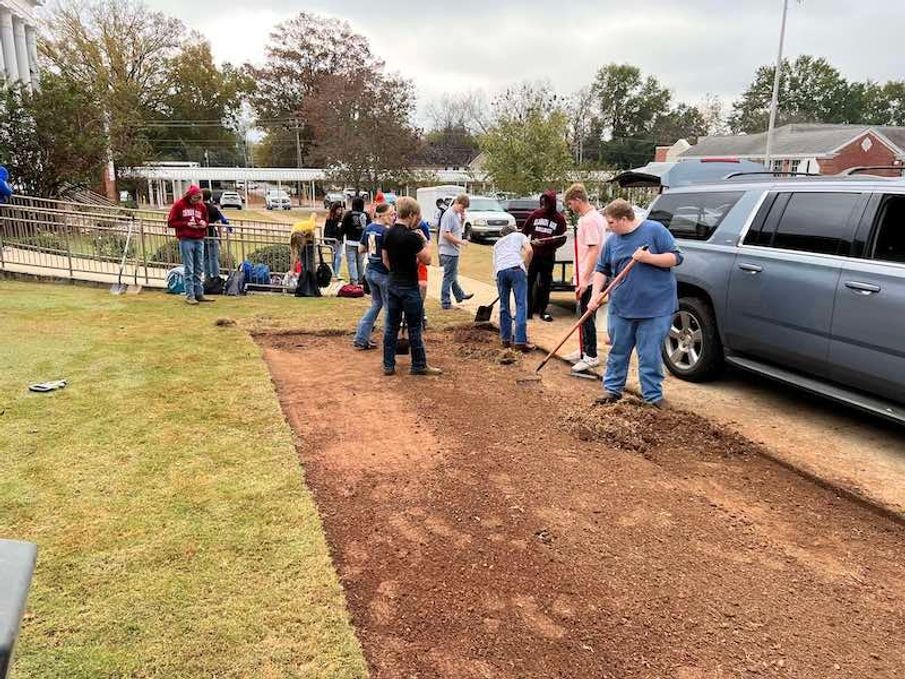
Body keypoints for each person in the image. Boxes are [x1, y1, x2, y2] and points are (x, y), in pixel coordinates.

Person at [589, 199, 683, 408]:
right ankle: (612, 390)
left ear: (624, 219)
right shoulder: (612, 241)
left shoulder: (655, 230)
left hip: (655, 308)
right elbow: (602, 269)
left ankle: (653, 396)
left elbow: (676, 258)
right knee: (618, 351)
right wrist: (595, 295)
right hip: (621, 307)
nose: (609, 227)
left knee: (649, 354)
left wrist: (648, 258)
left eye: (611, 223)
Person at [382, 197, 442, 376]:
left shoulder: (388, 233)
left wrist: (396, 272)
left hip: (393, 283)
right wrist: (425, 241)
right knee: (414, 327)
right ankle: (418, 364)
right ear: (410, 215)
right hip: (409, 286)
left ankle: (388, 365)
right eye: (416, 216)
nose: (417, 219)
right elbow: (428, 260)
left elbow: (385, 260)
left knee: (391, 326)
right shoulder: (412, 237)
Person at [564, 183, 605, 373]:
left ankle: (591, 355)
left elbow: (594, 250)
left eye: (570, 203)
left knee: (587, 316)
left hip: (589, 276)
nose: (570, 207)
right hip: (586, 274)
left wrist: (584, 279)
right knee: (583, 314)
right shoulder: (592, 218)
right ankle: (583, 349)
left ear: (578, 200)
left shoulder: (589, 220)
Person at [353, 203, 395, 350]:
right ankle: (390, 341)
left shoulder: (369, 228)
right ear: (381, 215)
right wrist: (393, 273)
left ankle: (361, 337)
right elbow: (386, 259)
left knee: (376, 304)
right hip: (382, 273)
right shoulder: (386, 232)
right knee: (389, 307)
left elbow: (360, 249)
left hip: (370, 270)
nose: (393, 217)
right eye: (391, 214)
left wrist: (373, 249)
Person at [522, 190, 567, 322]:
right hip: (533, 255)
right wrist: (530, 243)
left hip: (548, 256)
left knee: (545, 284)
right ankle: (528, 311)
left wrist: (549, 244)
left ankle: (543, 311)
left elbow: (562, 239)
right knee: (529, 282)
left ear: (552, 203)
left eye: (546, 203)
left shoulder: (559, 219)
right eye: (542, 203)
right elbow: (524, 233)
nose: (544, 206)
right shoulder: (535, 215)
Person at [493, 224, 535, 351]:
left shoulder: (497, 244)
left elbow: (495, 266)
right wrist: (525, 267)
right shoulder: (519, 235)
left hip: (500, 272)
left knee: (504, 306)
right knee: (521, 304)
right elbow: (529, 251)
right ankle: (520, 341)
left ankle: (505, 339)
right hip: (516, 269)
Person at [167, 186, 212, 305]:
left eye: (198, 199)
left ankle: (199, 293)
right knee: (189, 268)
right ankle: (190, 295)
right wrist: (186, 224)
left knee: (199, 268)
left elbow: (206, 220)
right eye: (194, 199)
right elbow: (171, 222)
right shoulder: (179, 205)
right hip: (186, 239)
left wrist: (204, 224)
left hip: (199, 238)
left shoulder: (201, 207)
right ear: (189, 196)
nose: (196, 201)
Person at [438, 193, 474, 309]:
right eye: (462, 207)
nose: (463, 210)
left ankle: (460, 295)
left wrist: (462, 220)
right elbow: (445, 234)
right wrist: (460, 242)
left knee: (452, 275)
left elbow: (456, 229)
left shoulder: (455, 215)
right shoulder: (449, 215)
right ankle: (446, 302)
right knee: (449, 277)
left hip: (453, 250)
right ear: (457, 203)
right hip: (449, 251)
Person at [201, 189, 229, 281]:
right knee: (213, 257)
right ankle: (216, 276)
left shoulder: (199, 208)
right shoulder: (213, 208)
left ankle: (207, 277)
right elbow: (218, 223)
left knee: (205, 257)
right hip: (212, 235)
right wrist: (220, 237)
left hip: (201, 235)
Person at [341, 196, 368, 285]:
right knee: (360, 262)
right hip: (362, 242)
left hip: (350, 241)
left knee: (351, 262)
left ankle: (354, 280)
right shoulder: (365, 215)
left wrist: (341, 235)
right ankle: (360, 279)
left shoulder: (348, 215)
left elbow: (343, 228)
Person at [323, 201, 345, 279]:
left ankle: (336, 273)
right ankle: (335, 273)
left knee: (339, 256)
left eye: (341, 210)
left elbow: (343, 230)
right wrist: (326, 240)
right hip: (332, 240)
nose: (339, 211)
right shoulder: (330, 219)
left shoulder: (341, 219)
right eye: (338, 209)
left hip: (339, 240)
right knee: (335, 256)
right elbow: (327, 230)